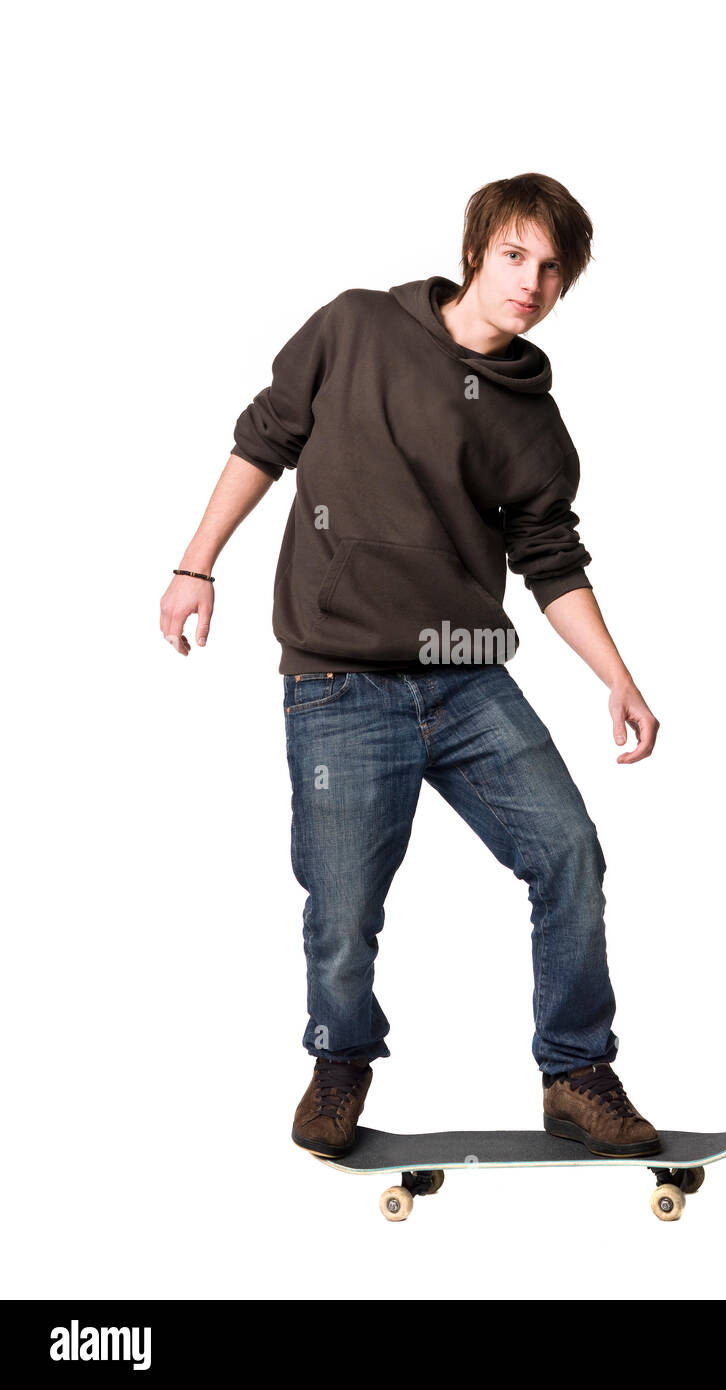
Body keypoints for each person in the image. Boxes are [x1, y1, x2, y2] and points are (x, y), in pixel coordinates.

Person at [160, 172, 661, 1159]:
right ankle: (340, 1061)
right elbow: (264, 438)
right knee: (341, 903)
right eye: (515, 255)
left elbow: (551, 563)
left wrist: (619, 676)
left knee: (567, 850)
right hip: (338, 681)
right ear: (476, 250)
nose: (531, 280)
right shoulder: (354, 328)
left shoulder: (530, 420)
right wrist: (194, 563)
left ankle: (574, 1071)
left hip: (467, 678)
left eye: (552, 268)